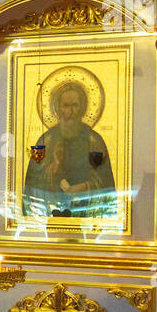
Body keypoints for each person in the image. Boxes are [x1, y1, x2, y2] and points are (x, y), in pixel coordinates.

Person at [23, 81, 115, 217]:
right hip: (51, 211)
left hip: (85, 212)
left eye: (75, 106)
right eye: (66, 106)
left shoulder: (94, 141)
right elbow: (33, 181)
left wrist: (84, 187)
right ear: (58, 108)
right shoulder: (44, 141)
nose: (70, 112)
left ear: (82, 108)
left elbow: (104, 180)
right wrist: (54, 167)